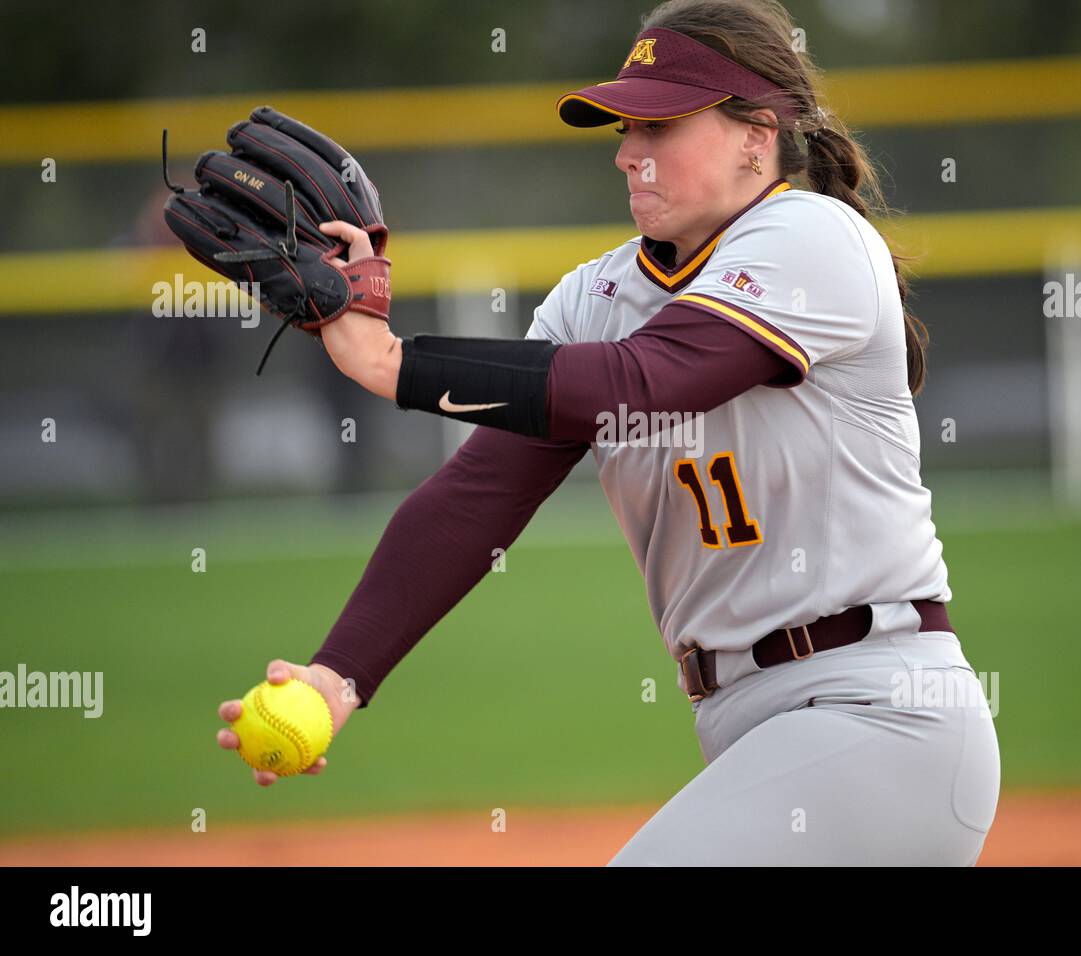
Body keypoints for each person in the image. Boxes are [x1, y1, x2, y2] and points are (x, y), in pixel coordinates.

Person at [216, 0, 1000, 866]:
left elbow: (644, 378)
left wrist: (391, 361)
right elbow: (477, 498)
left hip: (876, 715)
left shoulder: (811, 237)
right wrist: (338, 678)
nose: (630, 151)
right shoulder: (594, 297)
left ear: (758, 135)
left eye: (662, 124)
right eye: (627, 125)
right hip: (747, 726)